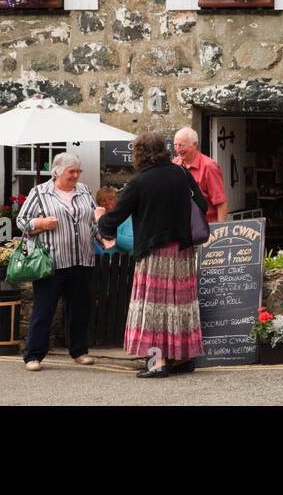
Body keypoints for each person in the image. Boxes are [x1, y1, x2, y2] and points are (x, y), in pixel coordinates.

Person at [99, 131, 207, 379]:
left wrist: (100, 222)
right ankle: (183, 358)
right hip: (182, 250)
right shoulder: (181, 174)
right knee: (180, 306)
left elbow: (115, 217)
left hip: (154, 251)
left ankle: (157, 363)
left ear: (140, 154)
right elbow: (202, 205)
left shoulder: (139, 182)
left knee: (155, 309)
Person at [14, 152, 104, 371]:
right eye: (70, 172)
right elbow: (21, 221)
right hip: (51, 261)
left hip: (82, 259)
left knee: (80, 310)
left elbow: (93, 220)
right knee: (44, 310)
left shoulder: (84, 190)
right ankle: (33, 356)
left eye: (78, 171)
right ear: (57, 172)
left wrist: (104, 236)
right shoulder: (40, 192)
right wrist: (41, 223)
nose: (75, 176)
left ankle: (79, 351)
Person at [172, 126, 228, 224]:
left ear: (195, 144)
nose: (177, 149)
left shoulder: (209, 166)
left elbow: (221, 203)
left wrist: (220, 232)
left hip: (205, 229)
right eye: (175, 145)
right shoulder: (174, 164)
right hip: (183, 228)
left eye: (181, 145)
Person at [93, 186, 134, 256]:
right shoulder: (93, 218)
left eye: (110, 199)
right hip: (95, 262)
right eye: (103, 200)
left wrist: (111, 235)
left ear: (116, 201)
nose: (107, 203)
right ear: (98, 203)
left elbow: (131, 244)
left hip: (118, 263)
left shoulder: (125, 219)